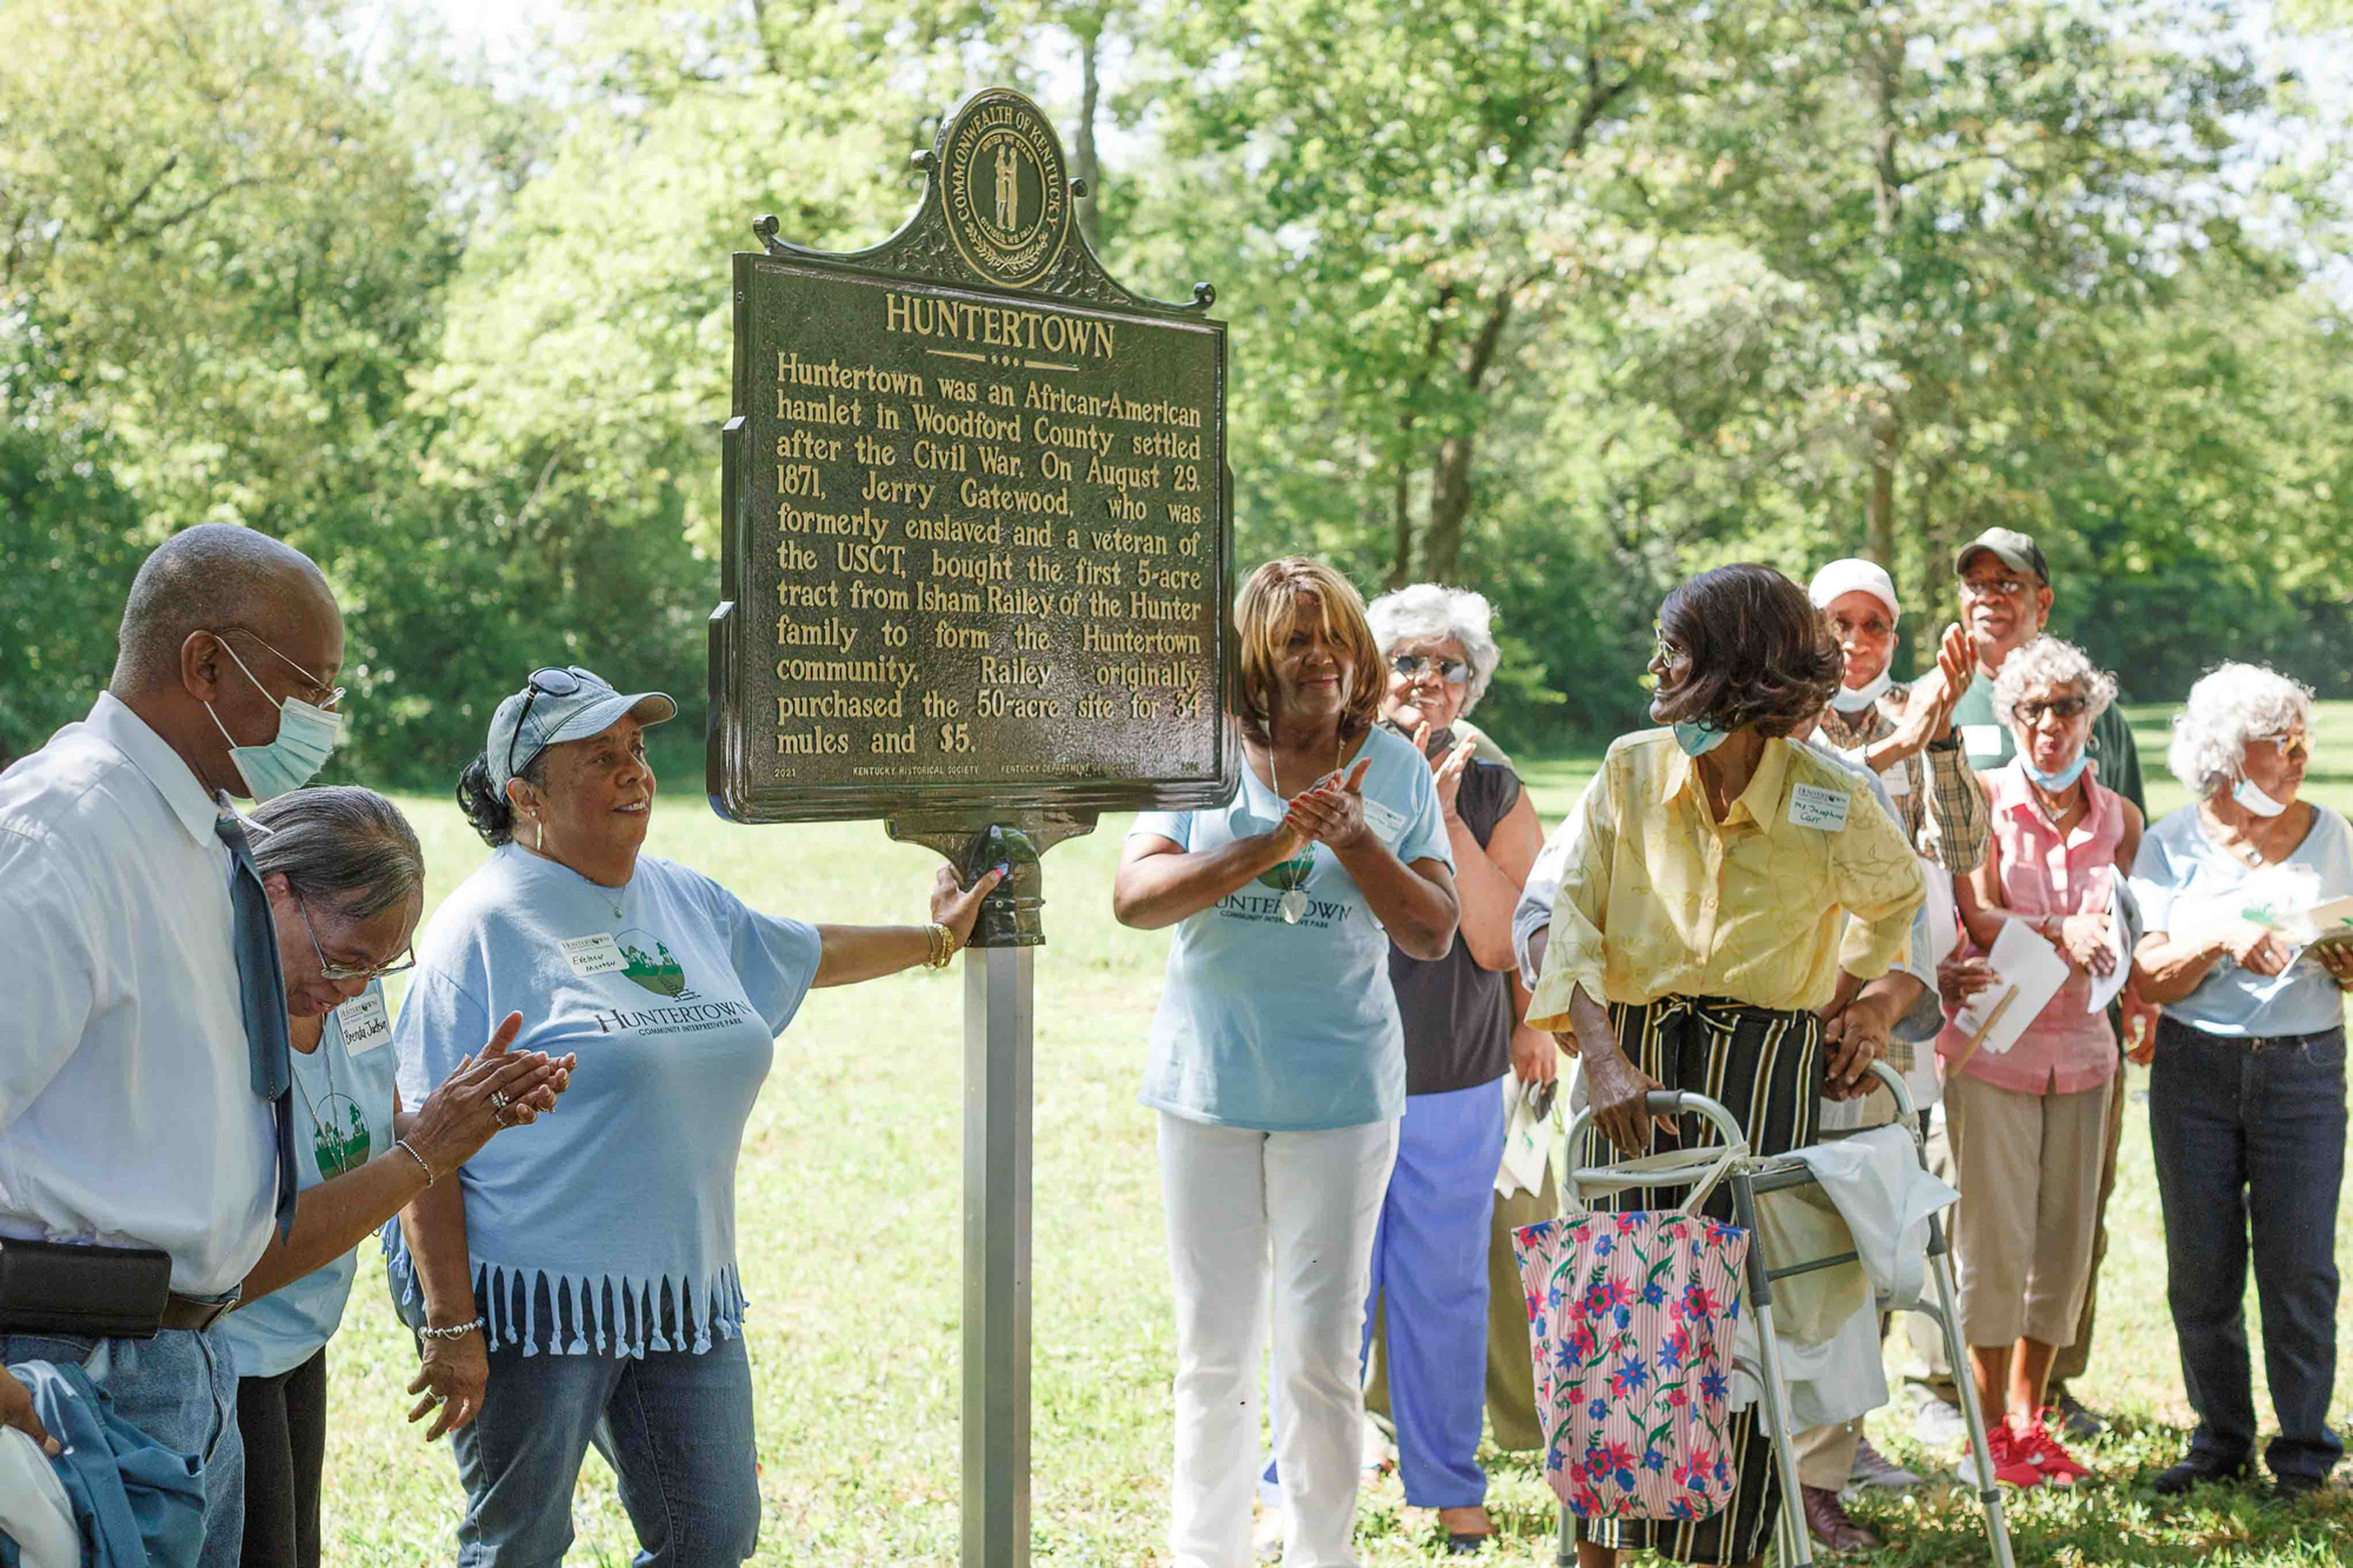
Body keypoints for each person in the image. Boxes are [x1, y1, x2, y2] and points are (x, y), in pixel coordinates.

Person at [386, 665, 1002, 1566]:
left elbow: (803, 949)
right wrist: (450, 1323)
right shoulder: (479, 928)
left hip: (680, 1294)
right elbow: (419, 1140)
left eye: (635, 750)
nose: (635, 772)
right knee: (519, 1544)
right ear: (526, 796)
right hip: (529, 1299)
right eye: (600, 759)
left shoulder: (681, 897)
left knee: (711, 1536)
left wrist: (940, 937)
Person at [1518, 563, 1925, 1568]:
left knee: (1732, 1322)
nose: (1659, 667)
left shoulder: (1830, 795)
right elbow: (1565, 915)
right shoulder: (1626, 767)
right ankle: (1598, 1548)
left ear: (1737, 672)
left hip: (1764, 1066)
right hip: (1634, 1059)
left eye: (1679, 649)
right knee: (1615, 1307)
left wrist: (1849, 1001)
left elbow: (1895, 898)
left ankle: (1727, 1547)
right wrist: (1599, 1048)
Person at [0, 524, 355, 1555]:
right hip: (70, 1369)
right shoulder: (61, 835)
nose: (323, 720)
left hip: (189, 1360)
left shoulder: (196, 832)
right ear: (205, 661)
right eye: (308, 686)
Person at [1113, 558, 1460, 1568]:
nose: (1323, 657)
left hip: (1340, 1096)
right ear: (1255, 652)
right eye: (1298, 639)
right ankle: (1206, 1552)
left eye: (1337, 637)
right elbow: (1135, 897)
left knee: (1315, 1350)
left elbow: (1434, 932)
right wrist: (1265, 847)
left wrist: (1356, 842)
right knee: (1211, 1349)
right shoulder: (1201, 750)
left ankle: (1322, 1553)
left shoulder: (1390, 765)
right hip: (1206, 1088)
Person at [214, 787, 570, 1568]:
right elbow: (234, 1258)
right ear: (275, 891)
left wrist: (466, 1113)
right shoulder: (210, 1012)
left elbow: (375, 1133)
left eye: (381, 965)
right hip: (220, 1357)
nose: (353, 987)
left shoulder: (354, 989)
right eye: (343, 960)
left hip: (299, 1338)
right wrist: (426, 1152)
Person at [1345, 582, 1546, 1553]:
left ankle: (1448, 1484)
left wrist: (1445, 814)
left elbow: (1503, 939)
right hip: (1332, 1061)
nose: (1426, 679)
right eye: (1408, 660)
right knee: (1323, 1281)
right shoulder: (1330, 761)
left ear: (1470, 685)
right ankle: (1301, 1472)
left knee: (1441, 1284)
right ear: (1370, 672)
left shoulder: (1497, 785)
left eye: (1448, 664)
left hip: (1453, 1070)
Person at [1942, 527, 2146, 1439]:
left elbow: (2136, 918)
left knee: (2064, 1245)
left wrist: (2134, 988)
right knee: (1995, 1243)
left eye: (2068, 707)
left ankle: (2031, 1418)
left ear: (2089, 714)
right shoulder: (1983, 800)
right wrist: (2060, 929)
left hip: (2087, 1052)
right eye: (2033, 709)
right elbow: (1977, 912)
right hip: (1995, 1050)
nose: (2051, 723)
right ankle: (1987, 1425)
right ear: (2011, 716)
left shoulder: (2122, 817)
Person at [2129, 664, 2348, 1504]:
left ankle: (2301, 1453)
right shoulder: (2170, 842)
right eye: (2278, 743)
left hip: (2302, 1068)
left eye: (2302, 739)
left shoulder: (2334, 832)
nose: (2296, 757)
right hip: (2197, 1069)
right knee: (2201, 1266)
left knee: (2299, 1268)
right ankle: (2218, 1438)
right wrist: (2220, 935)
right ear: (2226, 754)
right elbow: (2150, 978)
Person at [1806, 558, 1988, 876]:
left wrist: (1941, 737)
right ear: (1813, 636)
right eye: (1839, 624)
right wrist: (1901, 745)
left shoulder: (1918, 713)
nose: (1855, 643)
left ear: (1894, 641)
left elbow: (1962, 857)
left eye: (1874, 626)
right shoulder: (1788, 719)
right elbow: (1805, 810)